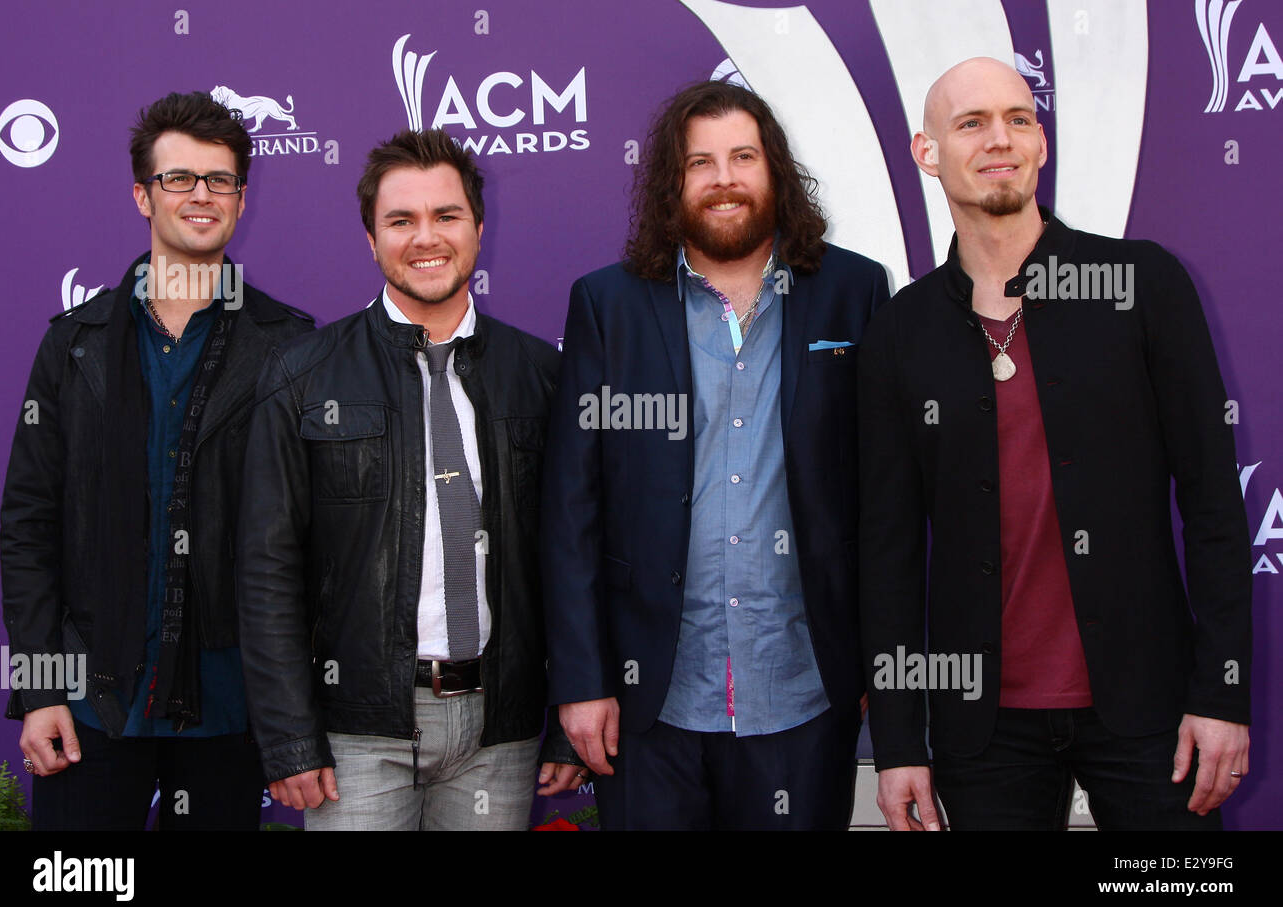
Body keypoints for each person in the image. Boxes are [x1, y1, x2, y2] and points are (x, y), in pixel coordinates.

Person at [858, 57, 1252, 831]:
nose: (998, 139)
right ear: (926, 151)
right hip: (983, 729)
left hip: (1151, 712)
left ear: (1041, 144)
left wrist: (1221, 695)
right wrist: (900, 739)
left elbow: (1212, 505)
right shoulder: (901, 332)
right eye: (969, 123)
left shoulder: (1141, 283)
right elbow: (889, 551)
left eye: (1018, 119)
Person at [542, 81, 889, 830]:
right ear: (674, 183)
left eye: (742, 157)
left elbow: (882, 497)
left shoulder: (853, 292)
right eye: (700, 162)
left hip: (804, 691)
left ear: (776, 172)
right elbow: (572, 506)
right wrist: (581, 679)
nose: (724, 178)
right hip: (650, 699)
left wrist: (877, 660)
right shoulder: (610, 305)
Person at [237, 129, 581, 831]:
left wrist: (572, 710)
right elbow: (266, 567)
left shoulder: (540, 378)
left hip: (500, 732)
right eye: (401, 220)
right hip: (358, 730)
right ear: (371, 238)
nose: (427, 237)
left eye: (446, 215)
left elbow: (573, 556)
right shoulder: (303, 377)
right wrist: (289, 735)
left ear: (479, 229)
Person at [0, 91, 313, 830]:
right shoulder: (74, 343)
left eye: (220, 179)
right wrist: (41, 688)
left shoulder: (292, 346)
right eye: (179, 178)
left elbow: (312, 536)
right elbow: (29, 523)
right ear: (143, 194)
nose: (201, 195)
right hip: (87, 700)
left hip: (232, 705)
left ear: (241, 198)